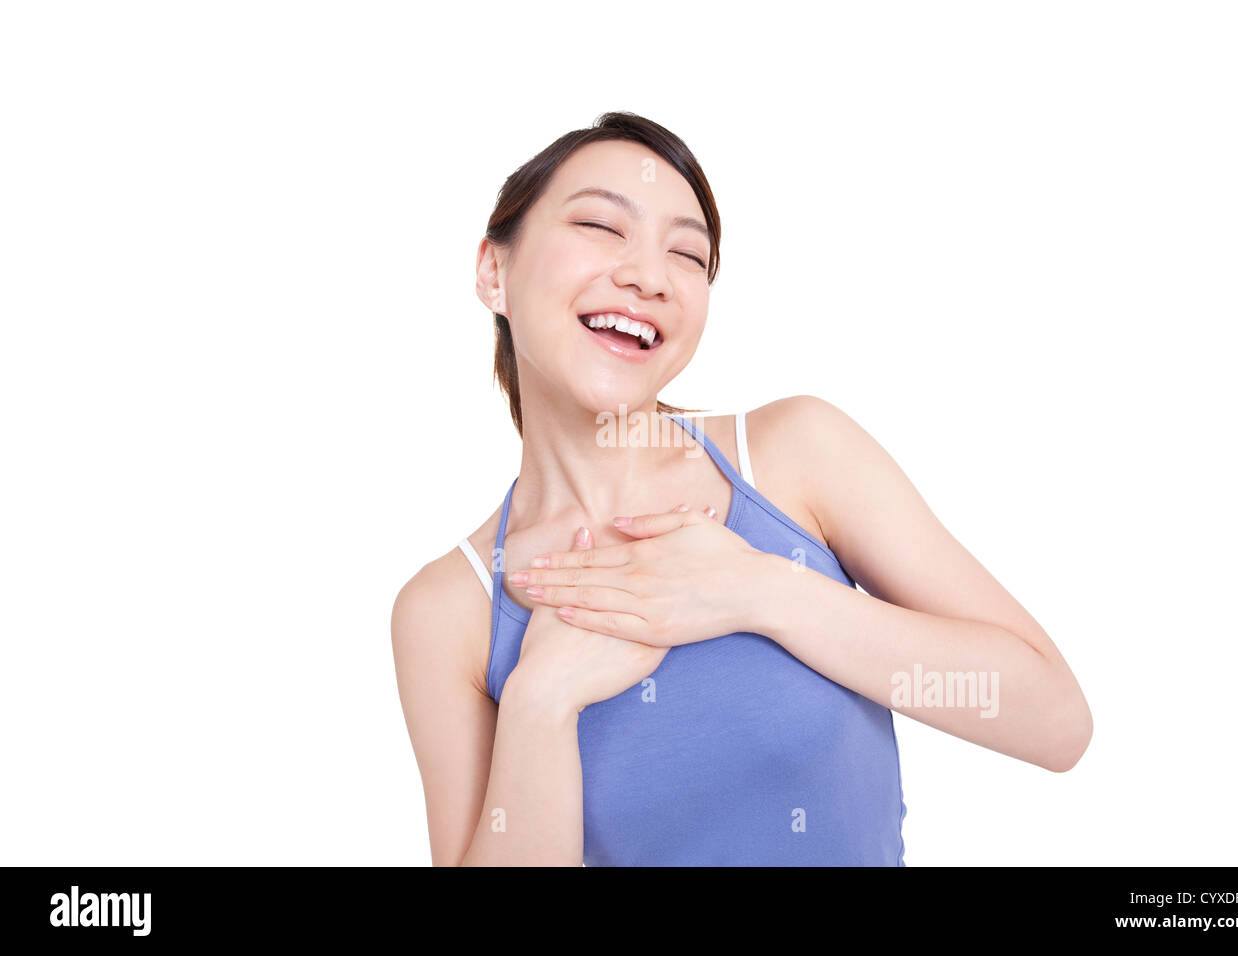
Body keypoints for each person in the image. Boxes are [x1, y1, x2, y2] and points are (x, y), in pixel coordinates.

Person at [391, 111, 1092, 866]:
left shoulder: (797, 456)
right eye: (599, 225)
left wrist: (758, 591)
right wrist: (539, 705)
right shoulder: (449, 610)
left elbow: (1054, 722)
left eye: (688, 255)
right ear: (494, 270)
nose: (649, 276)